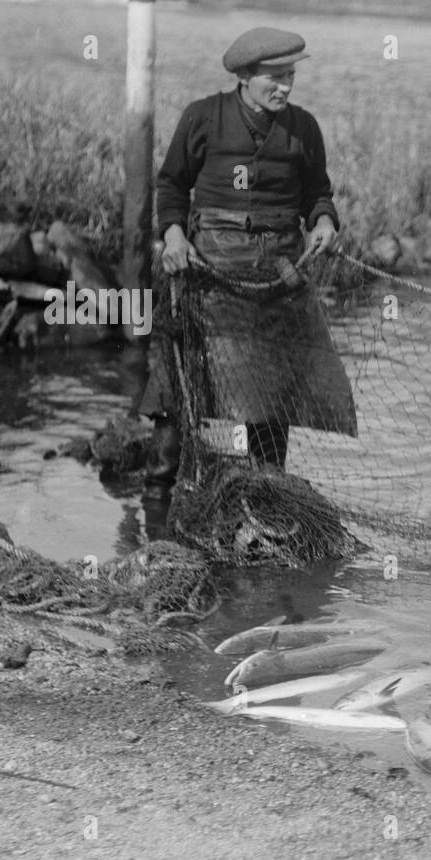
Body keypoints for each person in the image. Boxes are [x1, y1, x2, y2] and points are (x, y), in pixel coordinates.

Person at [137, 26, 357, 510]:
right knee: (182, 391)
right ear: (243, 76)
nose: (285, 87)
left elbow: (319, 192)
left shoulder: (304, 129)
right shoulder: (203, 119)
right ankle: (154, 507)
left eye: (291, 77)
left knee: (270, 400)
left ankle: (266, 498)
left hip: (278, 277)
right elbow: (171, 186)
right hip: (209, 271)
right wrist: (173, 234)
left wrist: (323, 221)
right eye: (274, 78)